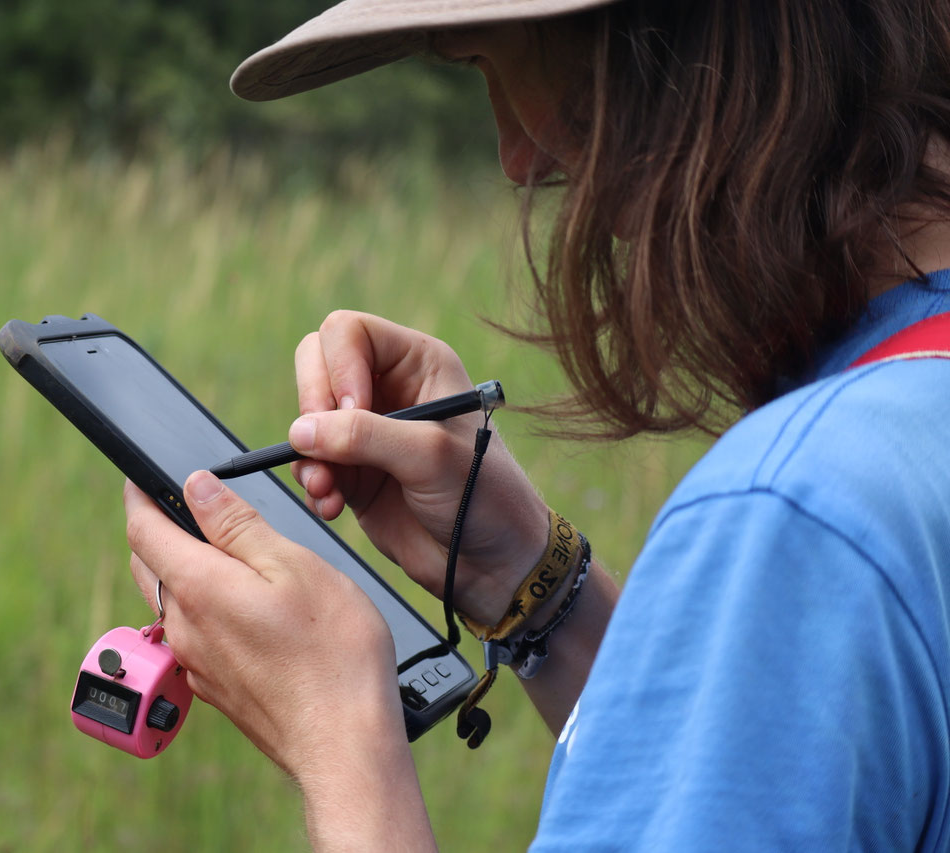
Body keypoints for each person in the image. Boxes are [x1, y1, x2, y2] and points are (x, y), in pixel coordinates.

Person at [123, 1, 950, 849]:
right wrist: (538, 585)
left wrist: (339, 735)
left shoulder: (790, 513)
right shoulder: (886, 449)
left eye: (487, 58)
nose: (517, 159)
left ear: (673, 43)